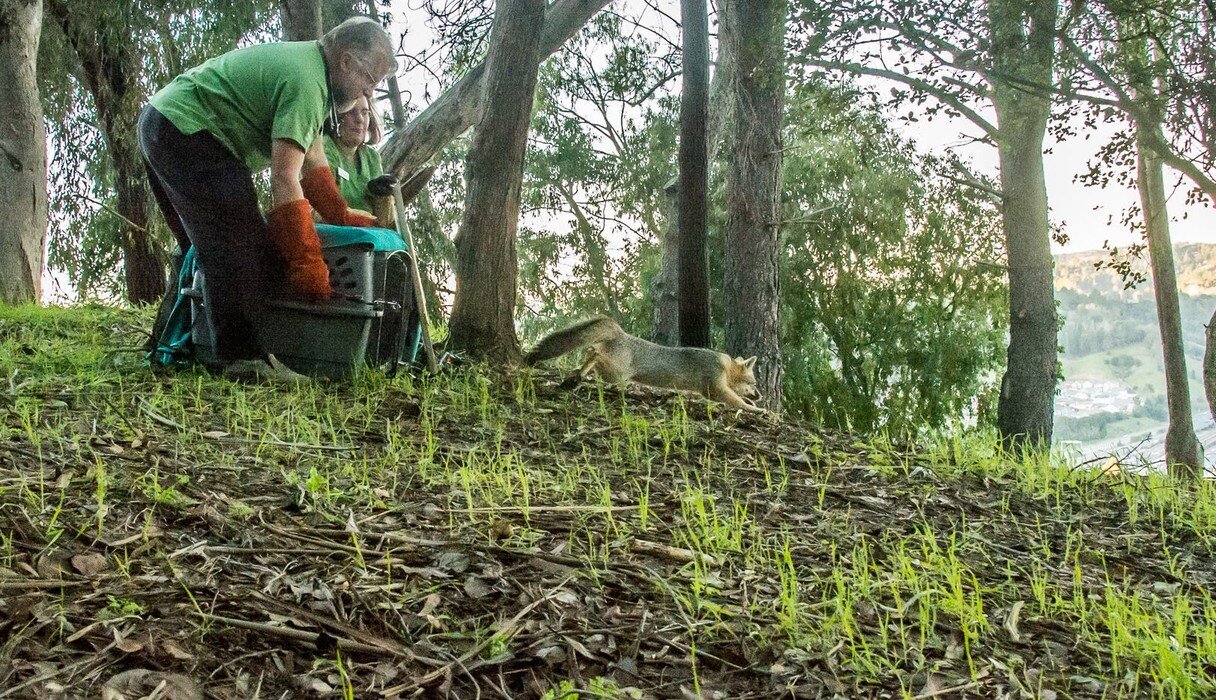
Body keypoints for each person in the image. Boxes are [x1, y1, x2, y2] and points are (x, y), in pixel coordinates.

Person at [138, 17, 394, 379]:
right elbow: (285, 178)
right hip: (189, 131)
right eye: (370, 79)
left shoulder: (312, 76)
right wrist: (306, 259)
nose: (368, 93)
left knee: (201, 246)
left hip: (165, 124)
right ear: (347, 61)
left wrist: (338, 211)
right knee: (240, 244)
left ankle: (176, 342)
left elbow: (314, 161)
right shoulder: (308, 81)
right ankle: (243, 359)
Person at [323, 95, 394, 227]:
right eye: (351, 112)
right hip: (333, 238)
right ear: (335, 115)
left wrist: (382, 198)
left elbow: (386, 222)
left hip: (369, 239)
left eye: (365, 112)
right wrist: (370, 221)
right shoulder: (323, 148)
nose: (360, 119)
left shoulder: (371, 157)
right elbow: (323, 211)